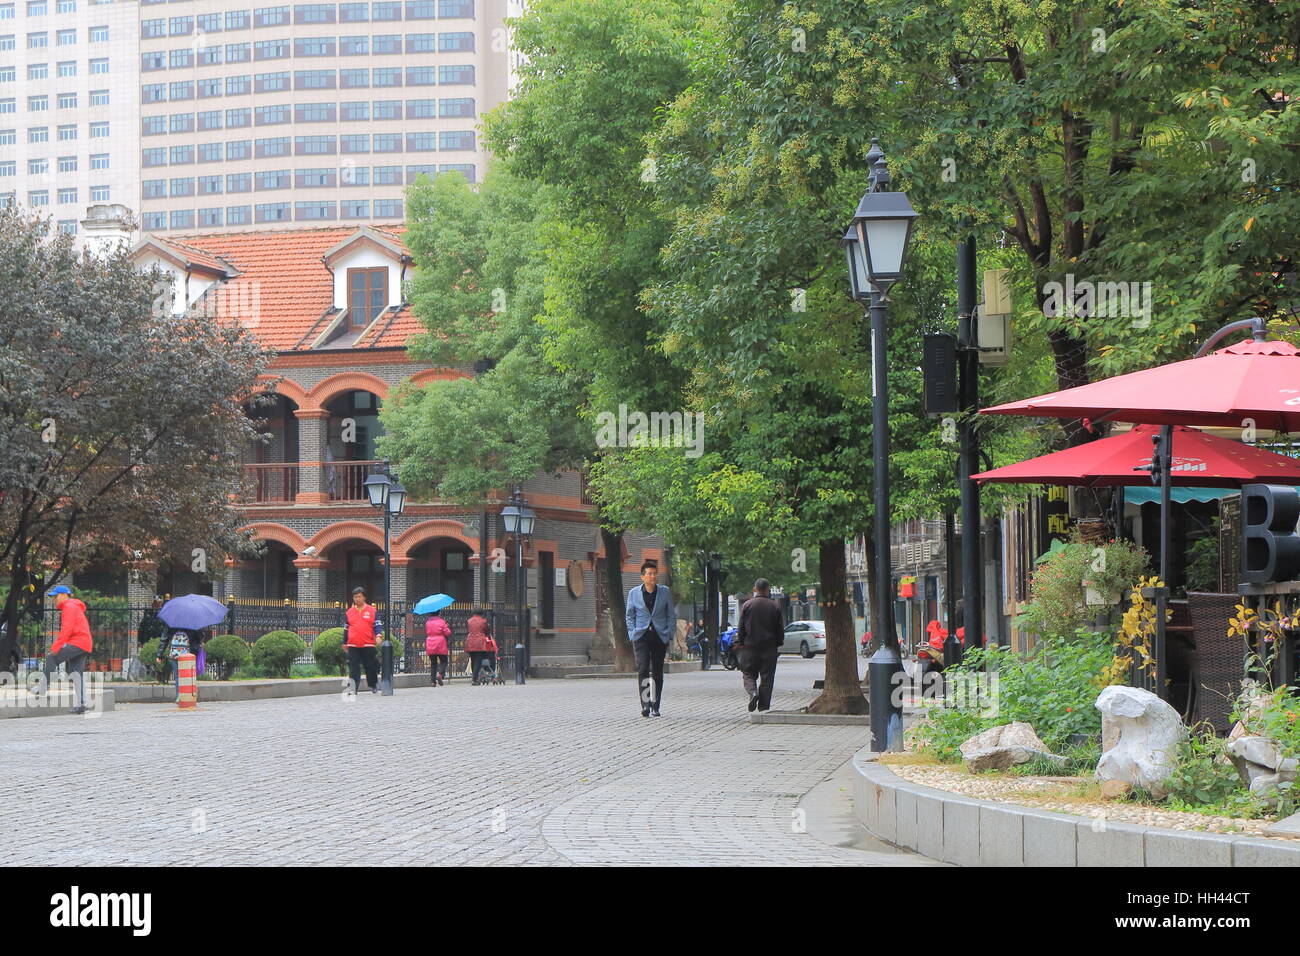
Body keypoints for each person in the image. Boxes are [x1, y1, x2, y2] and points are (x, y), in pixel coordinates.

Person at [625, 561, 677, 718]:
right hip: (641, 636)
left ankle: (656, 705)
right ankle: (645, 704)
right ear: (642, 576)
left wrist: (668, 633)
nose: (653, 576)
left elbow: (670, 614)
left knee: (657, 671)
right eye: (649, 573)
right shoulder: (633, 593)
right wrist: (632, 632)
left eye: (655, 573)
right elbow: (630, 615)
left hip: (659, 636)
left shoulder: (664, 592)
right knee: (643, 669)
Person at [40, 585, 92, 714]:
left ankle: (43, 687)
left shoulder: (69, 607)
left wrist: (56, 647)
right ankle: (82, 704)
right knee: (76, 674)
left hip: (78, 642)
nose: (54, 600)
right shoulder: (73, 606)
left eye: (55, 596)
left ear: (64, 595)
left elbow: (66, 629)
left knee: (51, 657)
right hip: (84, 643)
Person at [735, 578, 784, 712]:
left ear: (755, 589)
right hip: (769, 648)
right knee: (767, 678)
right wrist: (778, 643)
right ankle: (763, 707)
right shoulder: (775, 606)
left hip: (750, 647)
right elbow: (780, 629)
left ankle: (752, 692)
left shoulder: (747, 605)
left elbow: (741, 627)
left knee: (748, 673)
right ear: (768, 589)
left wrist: (741, 642)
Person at [343, 586, 381, 694]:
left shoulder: (372, 611)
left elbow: (377, 625)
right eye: (355, 597)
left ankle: (373, 684)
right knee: (353, 667)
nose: (357, 599)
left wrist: (378, 635)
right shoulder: (349, 612)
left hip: (368, 644)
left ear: (364, 597)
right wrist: (344, 642)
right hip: (353, 644)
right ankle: (353, 688)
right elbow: (346, 628)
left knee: (370, 665)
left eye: (359, 596)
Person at [464, 609, 494, 684]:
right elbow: (487, 631)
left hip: (470, 641)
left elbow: (468, 630)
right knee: (478, 660)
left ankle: (474, 677)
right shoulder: (484, 621)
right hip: (480, 642)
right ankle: (475, 679)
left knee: (473, 660)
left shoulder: (469, 621)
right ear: (481, 613)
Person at [425, 613, 450, 686]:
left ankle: (433, 681)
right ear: (438, 613)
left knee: (433, 663)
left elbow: (427, 631)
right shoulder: (441, 621)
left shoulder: (427, 622)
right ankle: (440, 675)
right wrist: (447, 626)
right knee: (444, 661)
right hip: (440, 643)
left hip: (430, 642)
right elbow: (447, 632)